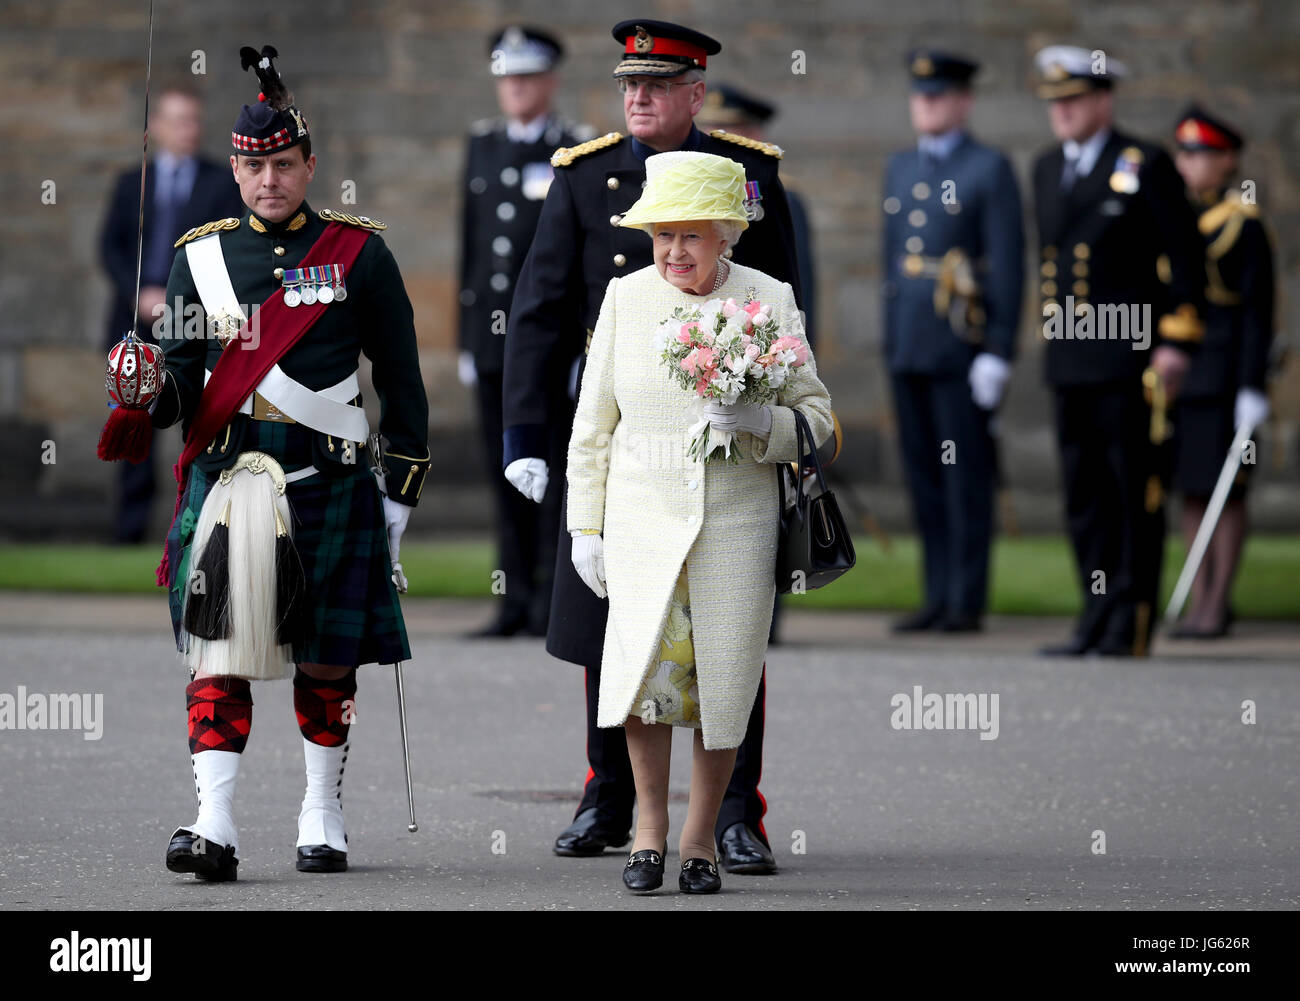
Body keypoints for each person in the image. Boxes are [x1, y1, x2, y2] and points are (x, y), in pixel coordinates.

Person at [502, 19, 804, 875]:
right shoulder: (585, 174)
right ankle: (608, 793)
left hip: (726, 449)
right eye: (628, 85)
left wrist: (781, 432)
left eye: (657, 86)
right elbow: (540, 310)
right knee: (605, 627)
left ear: (696, 93)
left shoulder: (751, 175)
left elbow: (783, 308)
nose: (636, 98)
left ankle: (738, 811)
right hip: (621, 438)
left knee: (731, 633)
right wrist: (526, 432)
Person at [139, 46, 430, 880]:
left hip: (328, 482)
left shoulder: (359, 255)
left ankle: (322, 811)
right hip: (229, 483)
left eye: (284, 164)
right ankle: (215, 823)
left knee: (327, 655)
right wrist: (143, 386)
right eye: (254, 165)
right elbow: (180, 390)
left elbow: (401, 378)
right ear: (235, 170)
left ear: (309, 164)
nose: (270, 179)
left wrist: (401, 484)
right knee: (217, 650)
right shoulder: (197, 258)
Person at [566, 150, 832, 893]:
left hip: (735, 528)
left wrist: (758, 422)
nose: (674, 251)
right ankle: (648, 829)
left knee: (722, 684)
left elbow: (820, 422)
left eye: (690, 236)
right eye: (661, 236)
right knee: (645, 681)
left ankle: (700, 836)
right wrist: (585, 527)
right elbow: (592, 430)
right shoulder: (624, 298)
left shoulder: (768, 299)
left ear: (727, 235)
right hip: (643, 524)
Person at [1030, 46, 1206, 657]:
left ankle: (1130, 619)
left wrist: (1176, 342)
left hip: (1128, 356)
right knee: (1084, 494)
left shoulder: (1145, 162)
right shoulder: (1047, 167)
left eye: (1075, 100)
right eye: (1056, 103)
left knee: (1132, 491)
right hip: (1070, 356)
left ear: (1104, 100)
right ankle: (1094, 614)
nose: (1064, 113)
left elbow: (1185, 260)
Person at [457, 27, 593, 637]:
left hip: (550, 347)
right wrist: (466, 337)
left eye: (527, 78)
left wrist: (583, 347)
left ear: (549, 81)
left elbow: (583, 260)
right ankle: (511, 597)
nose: (516, 89)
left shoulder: (574, 149)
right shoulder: (481, 146)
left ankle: (549, 601)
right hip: (492, 344)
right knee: (502, 469)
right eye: (507, 78)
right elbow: (471, 249)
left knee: (555, 471)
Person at [882, 50, 1024, 634]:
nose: (927, 105)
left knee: (963, 477)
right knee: (923, 476)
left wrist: (998, 349)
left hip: (960, 346)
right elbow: (893, 265)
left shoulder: (987, 168)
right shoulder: (899, 166)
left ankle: (966, 599)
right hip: (910, 344)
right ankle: (937, 593)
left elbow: (1009, 264)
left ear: (964, 100)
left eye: (938, 95)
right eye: (921, 96)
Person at [99, 84, 243, 544]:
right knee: (134, 417)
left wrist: (184, 300)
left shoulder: (222, 182)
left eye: (195, 120)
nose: (189, 130)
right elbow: (110, 247)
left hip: (192, 320)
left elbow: (225, 251)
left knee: (196, 416)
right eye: (178, 120)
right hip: (136, 318)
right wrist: (139, 293)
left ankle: (199, 526)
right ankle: (129, 529)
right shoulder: (131, 182)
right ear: (155, 127)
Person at [1168, 106, 1275, 638]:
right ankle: (1197, 598)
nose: (1189, 164)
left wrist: (1253, 386)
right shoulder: (1177, 217)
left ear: (1227, 161)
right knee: (1193, 489)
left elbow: (1258, 312)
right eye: (1183, 154)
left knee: (1226, 491)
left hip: (1228, 374)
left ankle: (1216, 601)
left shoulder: (1241, 223)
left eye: (1200, 155)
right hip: (1188, 376)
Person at [696, 82, 818, 344]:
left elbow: (797, 285)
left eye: (727, 132)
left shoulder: (780, 195)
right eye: (707, 131)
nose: (713, 142)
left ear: (754, 135)